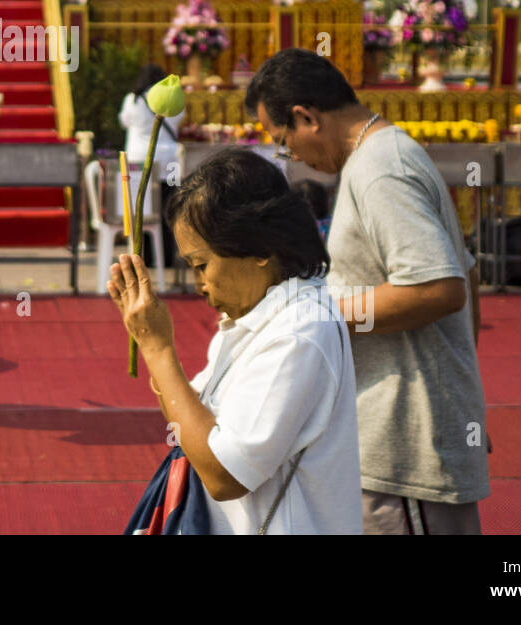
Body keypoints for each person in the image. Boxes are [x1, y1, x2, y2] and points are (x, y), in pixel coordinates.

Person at [244, 48, 488, 535]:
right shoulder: (382, 155)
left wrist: (319, 314)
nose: (289, 155)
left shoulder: (379, 169)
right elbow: (468, 272)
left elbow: (440, 287)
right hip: (406, 432)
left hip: (405, 451)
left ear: (306, 117)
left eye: (282, 140)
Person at [109, 148, 361, 534]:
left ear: (258, 248)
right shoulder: (255, 317)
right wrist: (147, 338)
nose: (199, 286)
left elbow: (224, 475)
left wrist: (157, 348)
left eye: (201, 266)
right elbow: (188, 424)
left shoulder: (299, 330)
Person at [120, 64, 186, 263]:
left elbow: (124, 121)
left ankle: (143, 256)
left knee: (142, 209)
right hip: (170, 161)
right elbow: (179, 118)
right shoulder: (172, 96)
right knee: (167, 207)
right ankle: (165, 256)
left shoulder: (132, 100)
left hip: (137, 159)